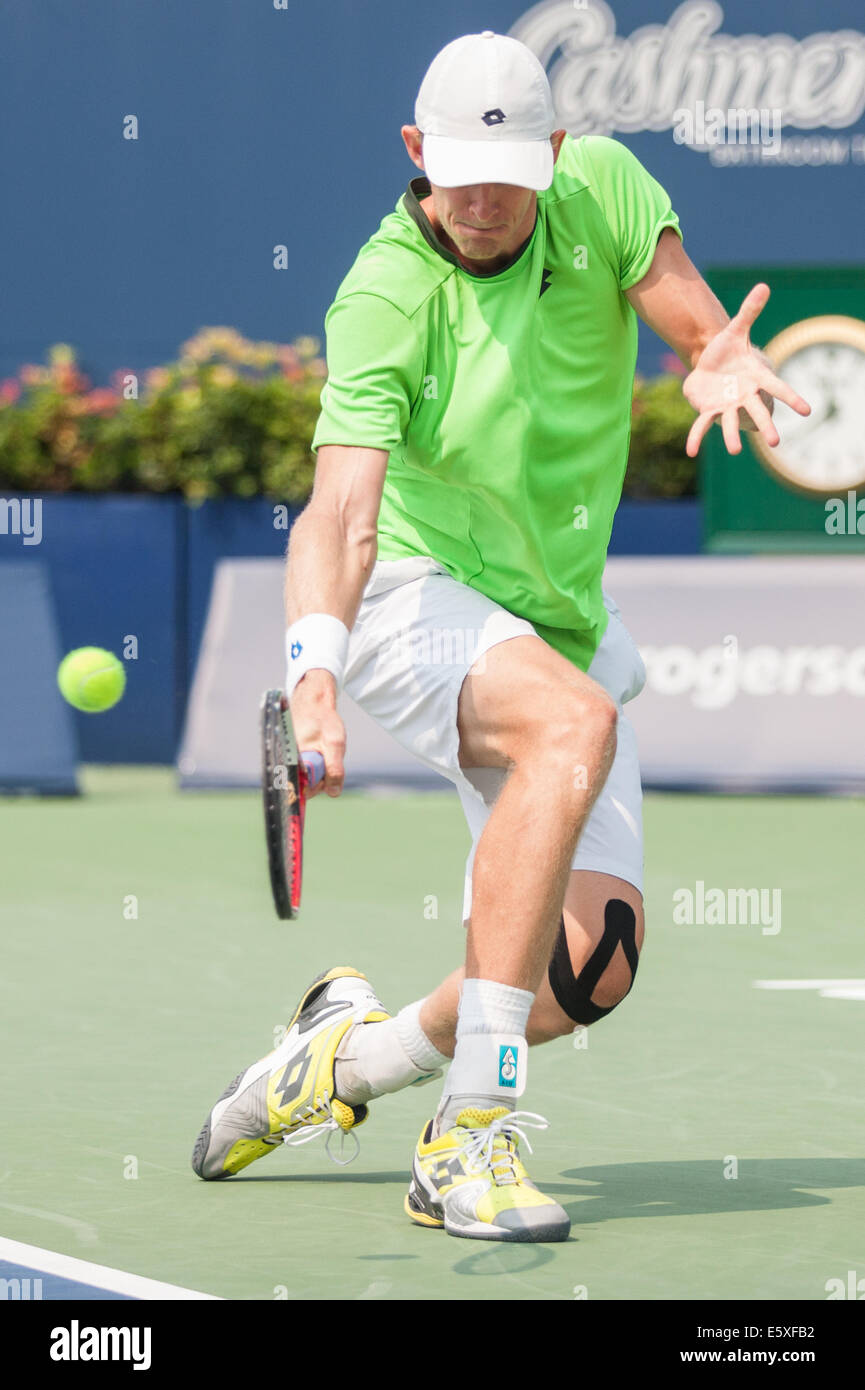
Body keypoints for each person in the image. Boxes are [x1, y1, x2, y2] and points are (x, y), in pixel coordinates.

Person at [191, 32, 809, 1242]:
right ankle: (469, 1135)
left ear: (556, 155)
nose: (486, 203)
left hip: (554, 612)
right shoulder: (383, 294)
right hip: (411, 596)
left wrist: (717, 354)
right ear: (417, 153)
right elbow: (341, 511)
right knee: (574, 723)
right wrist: (312, 675)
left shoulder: (604, 187)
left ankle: (345, 1062)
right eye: (462, 173)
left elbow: (692, 322)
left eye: (512, 175)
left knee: (587, 972)